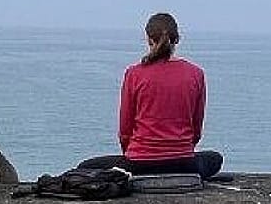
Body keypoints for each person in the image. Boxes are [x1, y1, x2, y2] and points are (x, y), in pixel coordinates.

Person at [79, 13, 223, 179]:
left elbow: (125, 128)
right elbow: (196, 128)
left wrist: (131, 155)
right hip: (184, 162)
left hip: (139, 163)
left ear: (148, 39)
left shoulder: (134, 73)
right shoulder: (196, 73)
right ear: (177, 39)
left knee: (85, 167)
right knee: (215, 158)